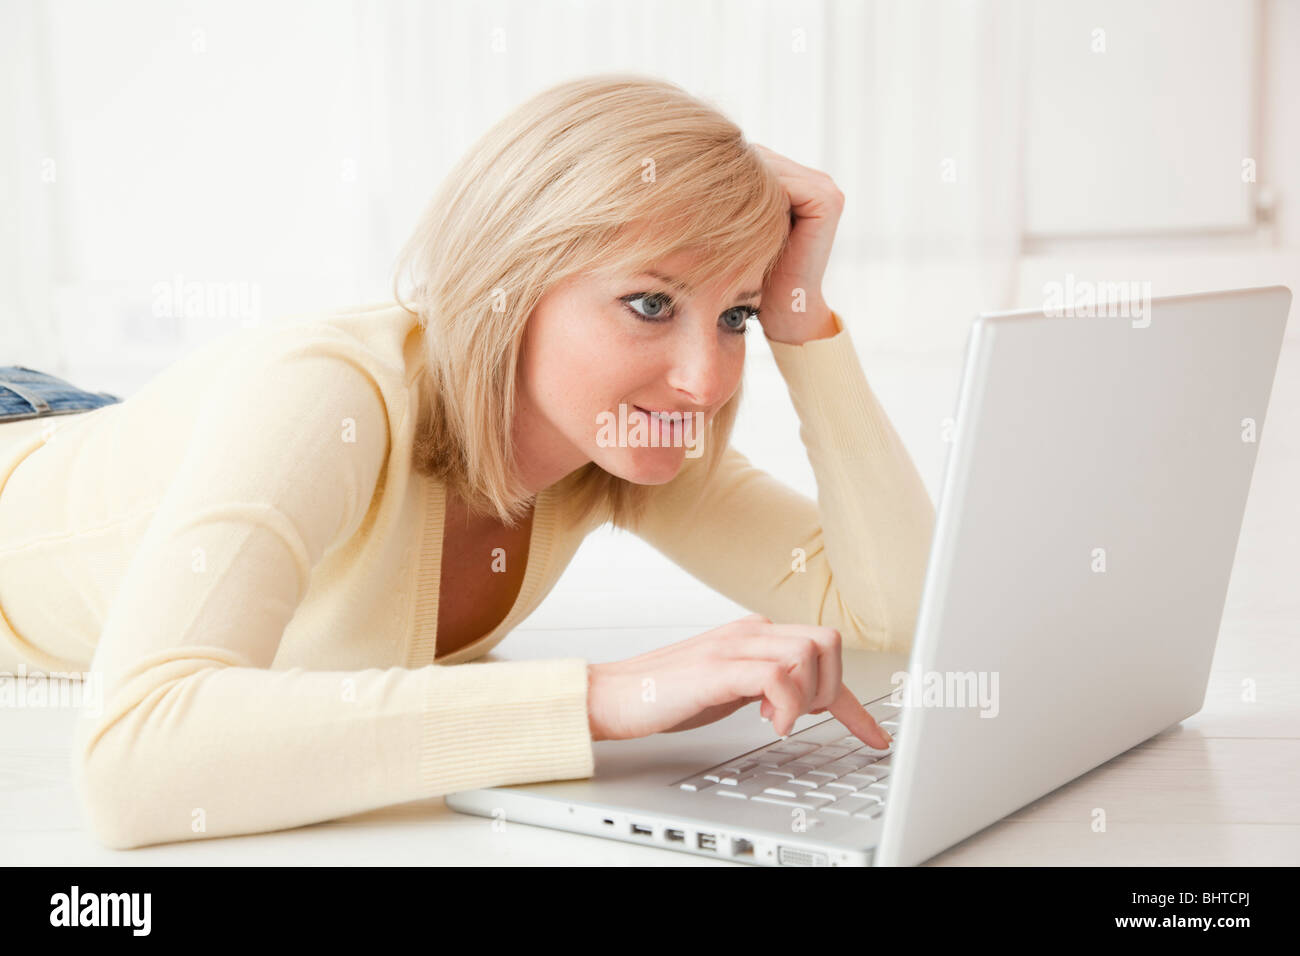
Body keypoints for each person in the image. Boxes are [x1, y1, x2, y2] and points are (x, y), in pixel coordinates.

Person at [0, 73, 935, 849]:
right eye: (651, 303)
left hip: (77, 428)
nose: (704, 380)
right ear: (506, 285)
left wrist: (802, 316)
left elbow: (896, 618)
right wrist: (605, 697)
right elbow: (135, 762)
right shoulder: (327, 395)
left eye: (735, 315)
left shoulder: (618, 437)